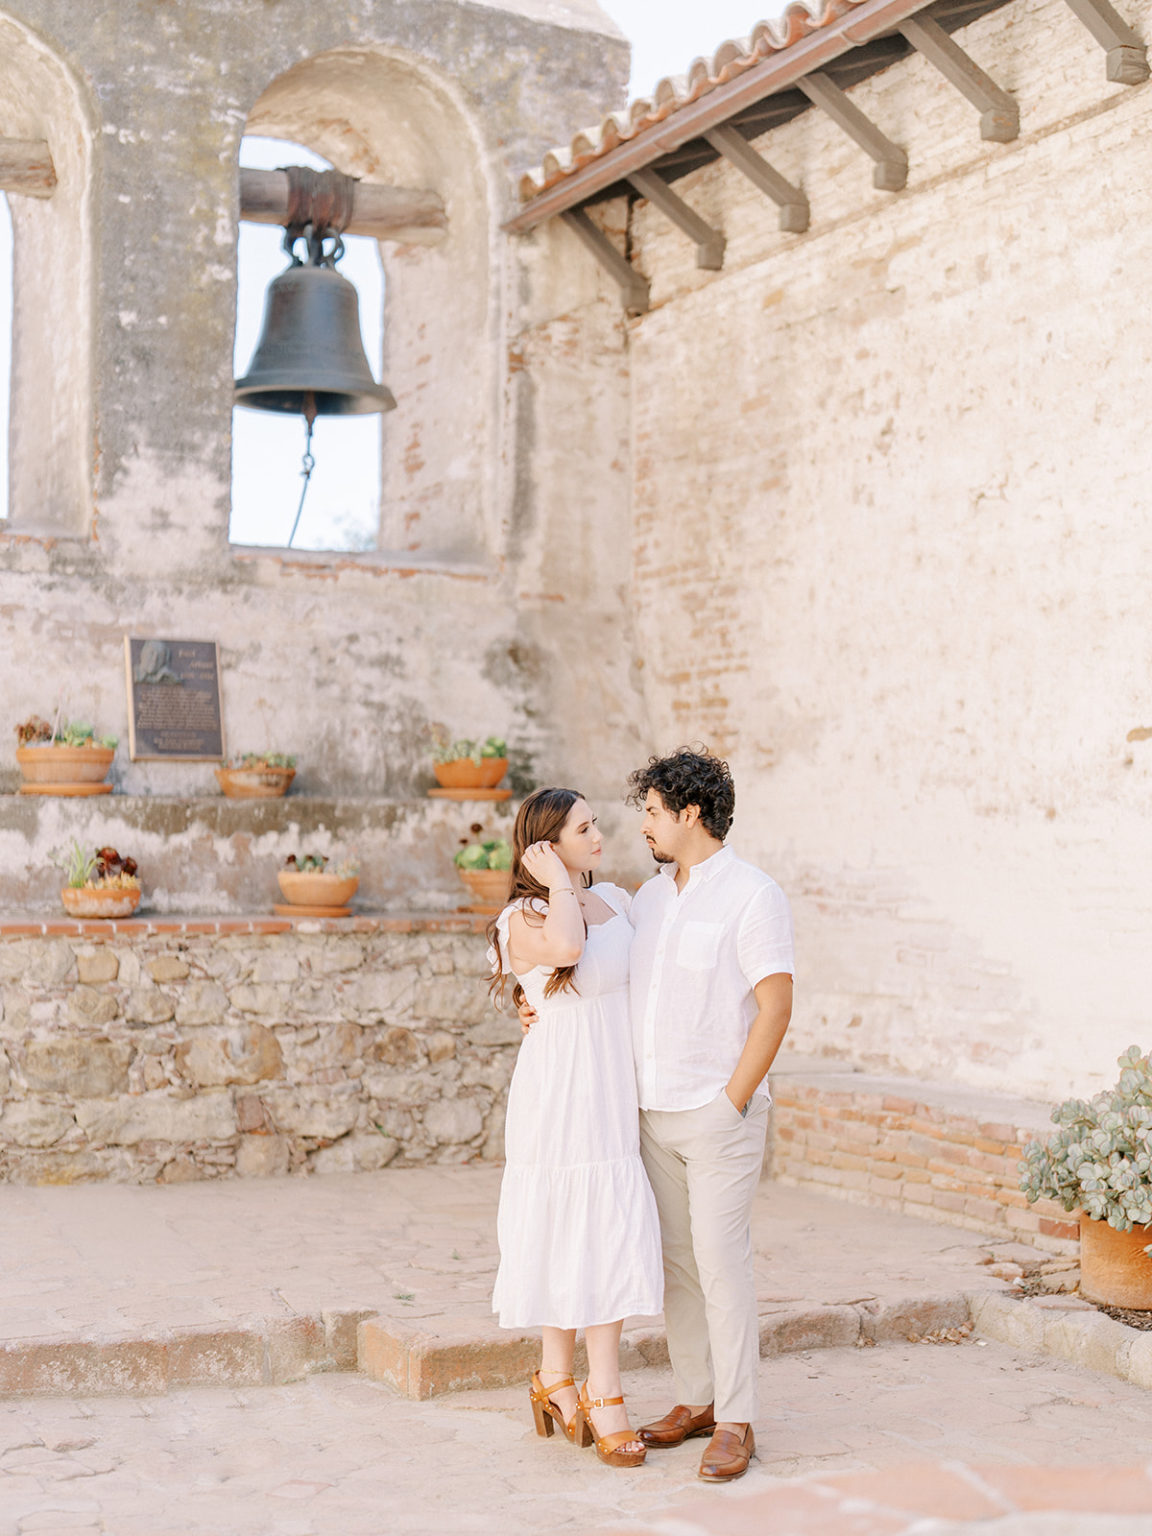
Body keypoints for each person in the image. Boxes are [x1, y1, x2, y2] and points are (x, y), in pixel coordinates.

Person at [625, 748, 794, 1483]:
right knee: (678, 1269)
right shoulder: (648, 897)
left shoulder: (754, 895)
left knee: (724, 1266)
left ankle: (737, 1418)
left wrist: (734, 1102)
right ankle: (695, 1400)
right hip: (653, 1111)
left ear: (691, 814)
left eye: (654, 811)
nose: (645, 825)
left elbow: (775, 1005)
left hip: (717, 1112)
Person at [488, 786, 663, 1469]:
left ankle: (556, 1377)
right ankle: (605, 1391)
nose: (598, 835)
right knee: (571, 1224)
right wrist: (559, 883)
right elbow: (563, 951)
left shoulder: (619, 902)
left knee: (603, 1225)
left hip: (611, 1086)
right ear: (547, 845)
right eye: (583, 828)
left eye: (594, 824)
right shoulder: (523, 916)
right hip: (558, 1092)